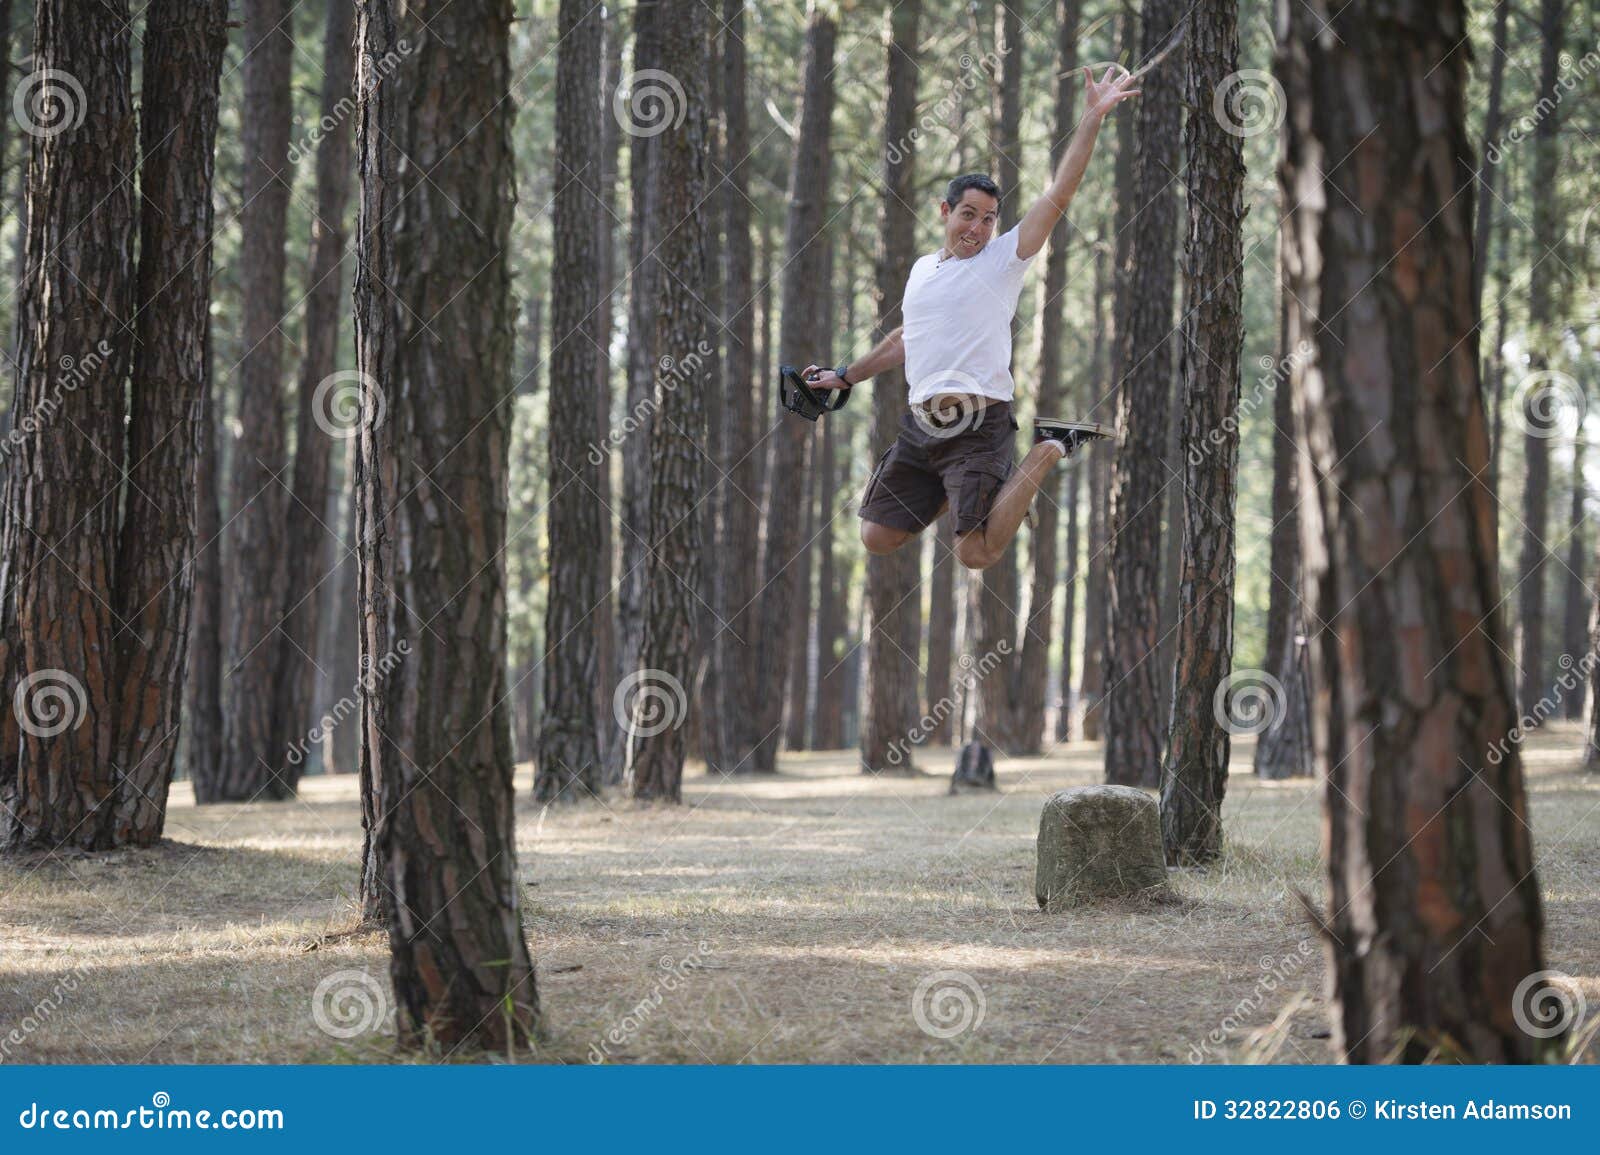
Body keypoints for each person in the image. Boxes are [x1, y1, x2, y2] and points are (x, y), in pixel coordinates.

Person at [802, 65, 1141, 571]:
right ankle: (969, 488)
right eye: (968, 214)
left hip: (979, 427)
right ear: (945, 211)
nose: (977, 228)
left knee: (975, 554)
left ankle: (1051, 446)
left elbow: (1059, 195)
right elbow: (904, 340)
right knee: (876, 535)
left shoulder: (1003, 259)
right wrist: (845, 376)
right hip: (922, 430)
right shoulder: (922, 270)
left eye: (988, 219)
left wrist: (1091, 118)